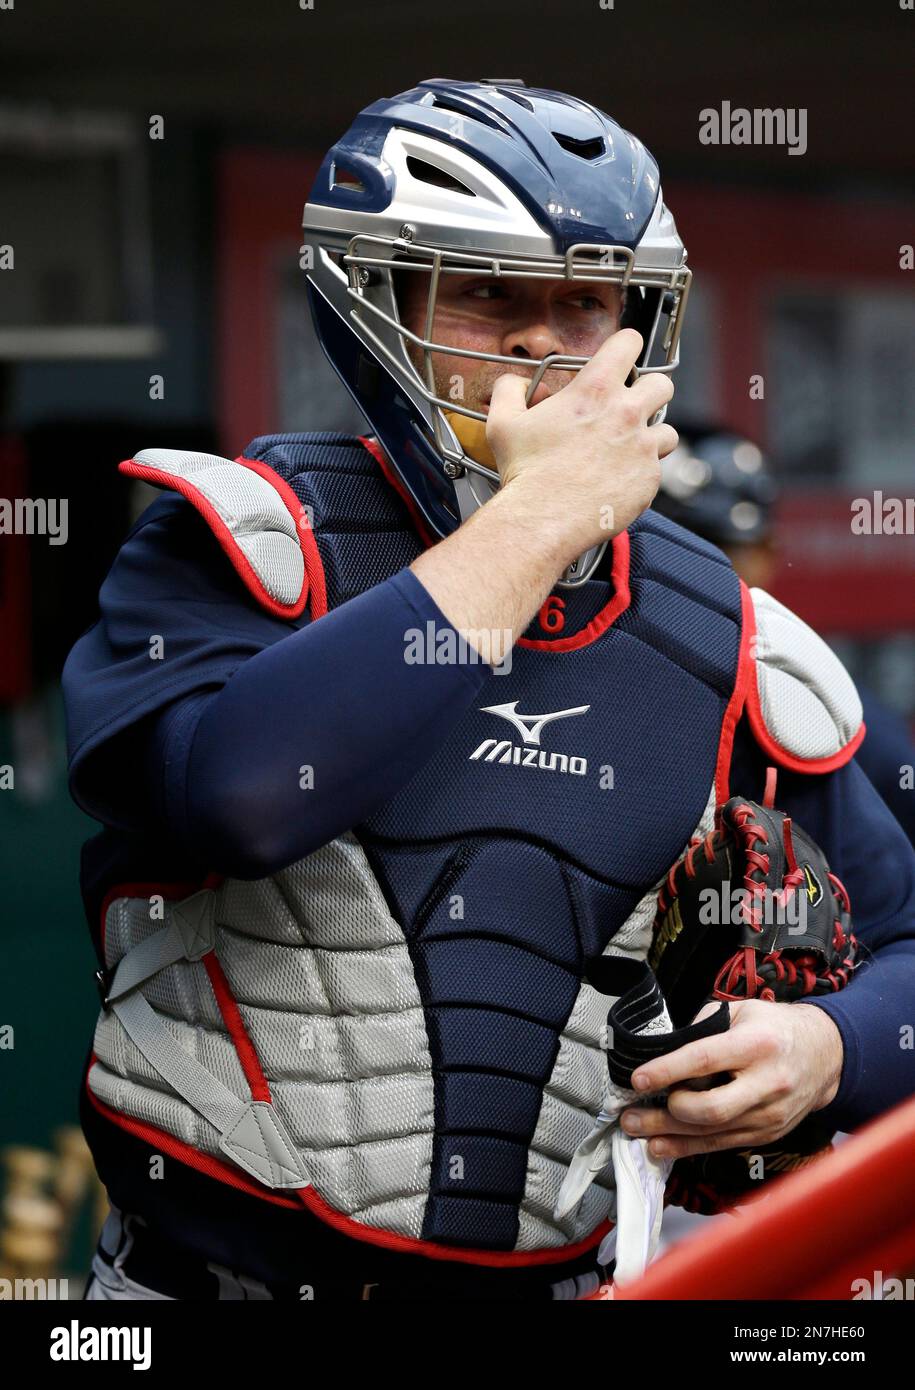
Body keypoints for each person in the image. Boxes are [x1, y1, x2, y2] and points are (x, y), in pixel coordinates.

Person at [63, 78, 915, 1302]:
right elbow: (240, 799)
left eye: (583, 303)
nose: (541, 344)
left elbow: (907, 947)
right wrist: (535, 526)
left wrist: (829, 1046)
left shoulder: (721, 627)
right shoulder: (250, 539)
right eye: (488, 295)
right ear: (381, 298)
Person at [653, 423, 915, 846]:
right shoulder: (584, 688)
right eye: (668, 543)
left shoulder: (835, 722)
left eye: (712, 545)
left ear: (766, 554)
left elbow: (898, 906)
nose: (690, 568)